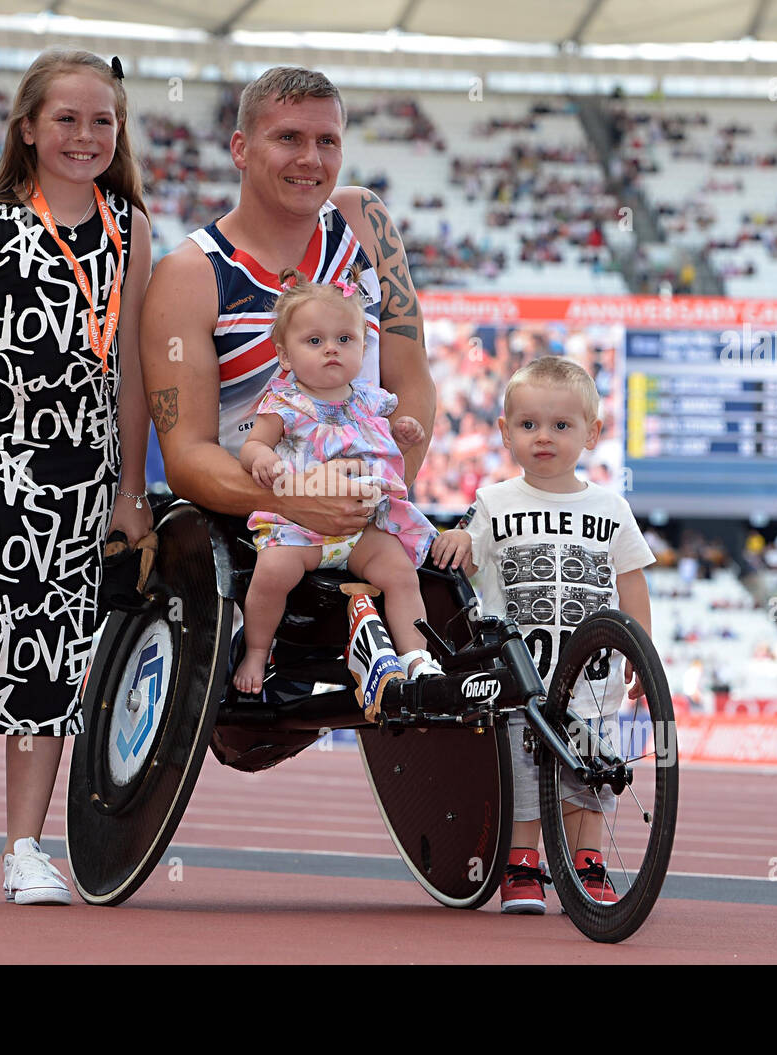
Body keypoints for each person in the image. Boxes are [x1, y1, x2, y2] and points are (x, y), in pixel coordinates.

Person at [0, 48, 153, 906]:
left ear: (119, 132)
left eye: (102, 121)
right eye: (67, 119)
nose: (85, 136)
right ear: (28, 129)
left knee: (56, 663)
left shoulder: (130, 227)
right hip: (4, 471)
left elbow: (129, 368)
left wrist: (129, 491)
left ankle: (24, 848)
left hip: (87, 482)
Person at [140, 65, 434, 554]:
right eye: (289, 138)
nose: (310, 159)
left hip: (372, 516)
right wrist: (299, 500)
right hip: (250, 536)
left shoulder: (364, 220)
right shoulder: (190, 274)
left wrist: (378, 489)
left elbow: (412, 379)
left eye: (327, 141)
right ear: (240, 149)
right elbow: (187, 457)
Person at [430, 356, 655, 914]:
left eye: (561, 426)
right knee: (524, 774)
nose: (544, 437)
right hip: (518, 677)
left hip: (591, 679)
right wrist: (459, 538)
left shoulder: (611, 508)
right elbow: (466, 550)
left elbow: (632, 586)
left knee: (590, 777)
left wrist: (643, 660)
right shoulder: (493, 502)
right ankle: (521, 866)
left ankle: (588, 863)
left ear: (592, 433)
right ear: (505, 433)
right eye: (528, 425)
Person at [234, 264, 440, 695]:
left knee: (401, 574)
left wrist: (404, 432)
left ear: (363, 347)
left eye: (344, 339)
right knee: (272, 572)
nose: (331, 349)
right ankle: (257, 648)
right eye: (315, 341)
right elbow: (253, 445)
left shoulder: (371, 399)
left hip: (362, 528)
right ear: (285, 355)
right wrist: (262, 460)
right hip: (301, 526)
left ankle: (418, 657)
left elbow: (385, 450)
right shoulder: (284, 401)